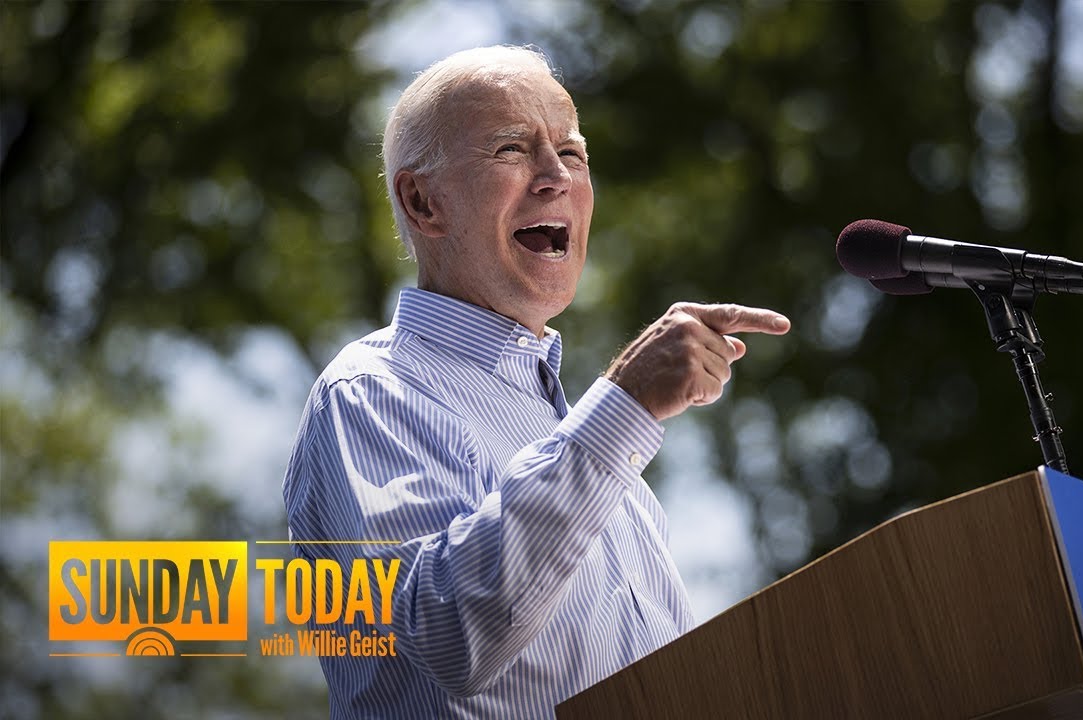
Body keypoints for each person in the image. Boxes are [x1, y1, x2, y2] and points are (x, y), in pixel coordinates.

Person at [282, 45, 790, 719]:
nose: (555, 178)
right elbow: (451, 635)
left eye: (573, 154)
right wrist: (627, 403)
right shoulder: (372, 391)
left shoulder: (597, 454)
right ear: (423, 200)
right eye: (512, 150)